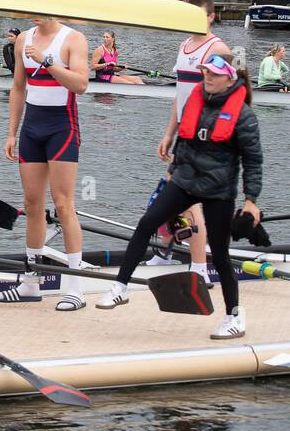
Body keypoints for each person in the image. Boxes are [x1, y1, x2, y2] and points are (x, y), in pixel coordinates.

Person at [99, 55, 261, 339]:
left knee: (221, 255)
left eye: (212, 74)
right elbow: (184, 142)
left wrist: (251, 200)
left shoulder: (243, 116)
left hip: (218, 190)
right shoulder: (195, 101)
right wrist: (173, 171)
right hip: (185, 181)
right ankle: (120, 288)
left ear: (229, 79)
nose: (206, 77)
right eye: (204, 72)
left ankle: (234, 317)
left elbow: (254, 160)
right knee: (146, 223)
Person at [0, 18, 90, 311]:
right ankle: (30, 283)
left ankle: (76, 287)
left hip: (62, 127)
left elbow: (81, 84)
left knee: (63, 205)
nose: (32, 13)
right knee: (32, 203)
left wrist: (48, 60)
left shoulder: (74, 38)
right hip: (32, 128)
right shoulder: (23, 39)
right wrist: (12, 131)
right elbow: (17, 88)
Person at [151, 0, 233, 276]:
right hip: (184, 133)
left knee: (191, 200)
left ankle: (199, 268)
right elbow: (180, 96)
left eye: (198, 15)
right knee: (171, 196)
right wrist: (168, 134)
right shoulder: (184, 45)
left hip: (205, 135)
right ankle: (166, 251)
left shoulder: (218, 47)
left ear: (211, 17)